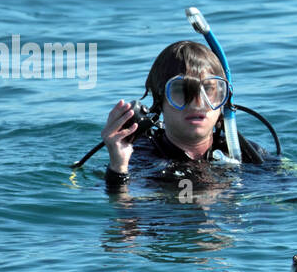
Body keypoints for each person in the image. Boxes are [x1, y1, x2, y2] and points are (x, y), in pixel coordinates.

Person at [100, 40, 270, 191]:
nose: (197, 102)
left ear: (223, 100)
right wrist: (118, 167)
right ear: (160, 101)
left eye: (209, 89)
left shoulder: (249, 154)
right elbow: (124, 219)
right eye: (181, 90)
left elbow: (289, 197)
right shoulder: (139, 156)